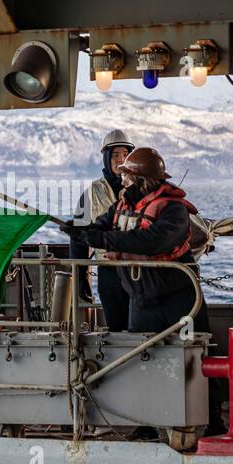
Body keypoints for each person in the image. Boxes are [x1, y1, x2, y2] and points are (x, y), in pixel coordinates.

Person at [67, 147, 224, 436]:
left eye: (126, 175)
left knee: (196, 357)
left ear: (141, 179)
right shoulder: (121, 206)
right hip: (141, 299)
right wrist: (81, 231)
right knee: (140, 359)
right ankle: (145, 424)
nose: (122, 179)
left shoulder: (174, 210)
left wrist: (105, 239)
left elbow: (154, 240)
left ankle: (212, 421)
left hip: (179, 297)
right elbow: (101, 226)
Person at [70, 129, 134, 330]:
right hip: (108, 272)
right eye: (115, 155)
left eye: (125, 155)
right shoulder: (91, 192)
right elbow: (79, 237)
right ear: (106, 158)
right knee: (116, 327)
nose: (121, 160)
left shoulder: (140, 188)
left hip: (138, 269)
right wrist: (80, 278)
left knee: (140, 328)